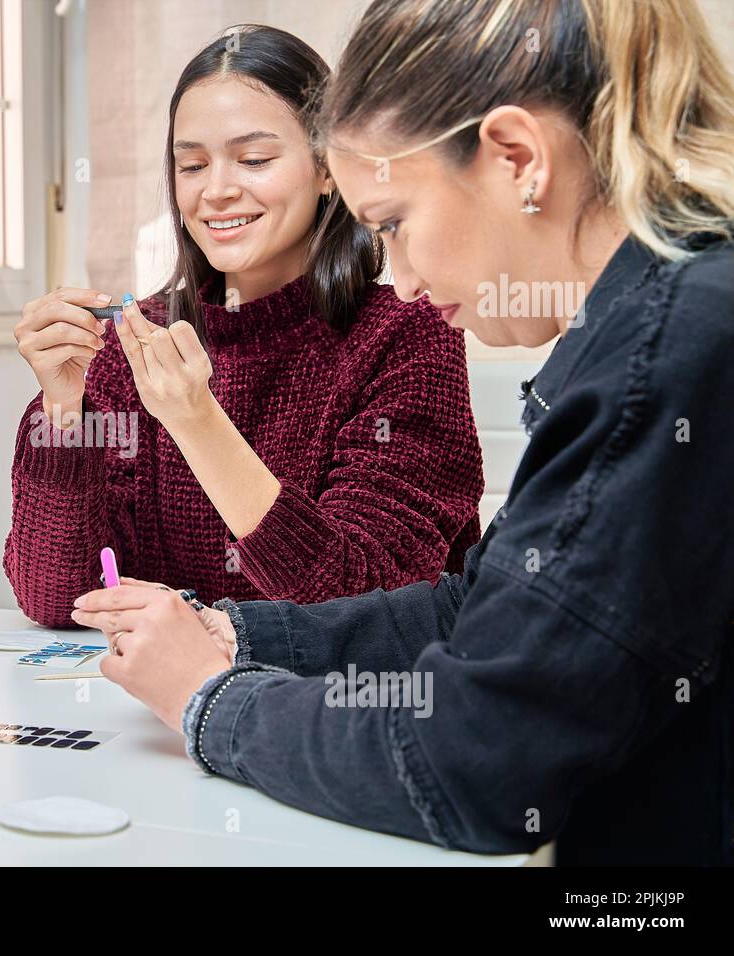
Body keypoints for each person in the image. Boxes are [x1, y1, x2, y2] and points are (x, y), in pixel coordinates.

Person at [72, 0, 734, 865]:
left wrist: (211, 698)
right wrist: (247, 637)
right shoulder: (661, 320)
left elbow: (478, 760)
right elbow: (485, 603)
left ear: (516, 159)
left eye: (392, 222)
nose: (407, 278)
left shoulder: (665, 357)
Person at [4, 25, 483, 628]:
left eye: (254, 160)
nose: (217, 191)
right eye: (192, 165)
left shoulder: (408, 335)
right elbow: (57, 601)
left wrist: (196, 420)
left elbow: (367, 604)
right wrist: (64, 411)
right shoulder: (137, 343)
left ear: (327, 167)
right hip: (162, 709)